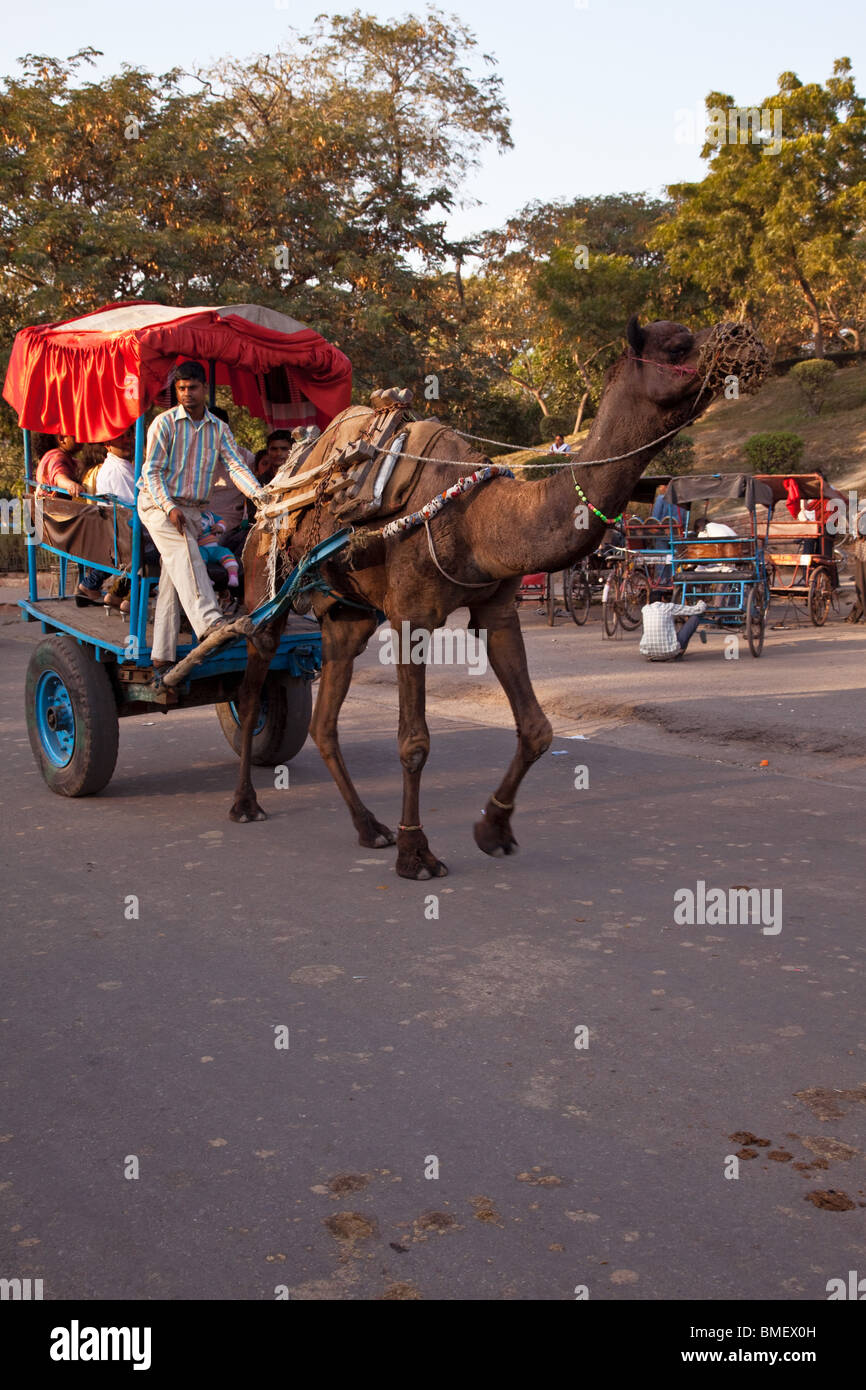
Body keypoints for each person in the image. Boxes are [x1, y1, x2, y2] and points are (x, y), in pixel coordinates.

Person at [137, 360, 268, 677]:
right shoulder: (165, 424)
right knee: (187, 553)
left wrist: (263, 498)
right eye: (181, 388)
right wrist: (168, 506)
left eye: (192, 387)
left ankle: (162, 655)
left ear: (204, 389)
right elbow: (151, 472)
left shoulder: (219, 429)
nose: (186, 394)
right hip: (158, 504)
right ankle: (211, 624)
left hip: (192, 508)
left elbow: (236, 467)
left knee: (174, 578)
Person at [640, 599, 707, 661]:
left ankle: (653, 650)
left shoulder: (645, 609)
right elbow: (697, 609)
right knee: (695, 618)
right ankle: (677, 653)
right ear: (662, 598)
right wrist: (701, 602)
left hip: (647, 652)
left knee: (648, 625)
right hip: (670, 652)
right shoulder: (668, 607)